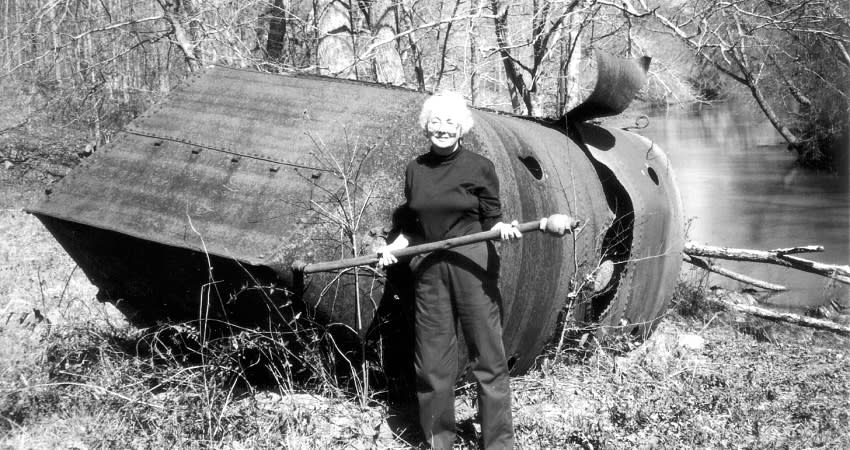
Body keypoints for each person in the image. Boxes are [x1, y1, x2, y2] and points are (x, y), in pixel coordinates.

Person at [376, 91, 521, 449]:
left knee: (487, 357)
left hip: (473, 262)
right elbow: (413, 226)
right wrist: (393, 248)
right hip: (429, 268)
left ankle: (498, 443)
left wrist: (502, 229)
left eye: (450, 122)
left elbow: (493, 220)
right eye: (436, 121)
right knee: (431, 363)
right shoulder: (416, 169)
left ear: (462, 128)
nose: (443, 128)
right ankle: (439, 441)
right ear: (426, 126)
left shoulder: (480, 166)